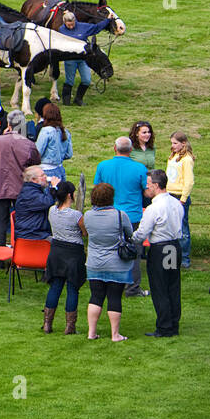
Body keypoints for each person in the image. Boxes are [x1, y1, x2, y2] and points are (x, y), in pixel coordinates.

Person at [94, 137, 149, 296]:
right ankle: (132, 288)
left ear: (114, 148)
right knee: (134, 251)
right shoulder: (139, 168)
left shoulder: (103, 166)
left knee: (109, 249)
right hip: (132, 216)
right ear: (131, 150)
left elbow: (98, 188)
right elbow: (146, 191)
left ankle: (110, 284)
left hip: (108, 214)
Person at [136, 170, 184, 337]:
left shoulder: (153, 208)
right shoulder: (176, 203)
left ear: (156, 186)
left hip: (160, 249)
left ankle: (164, 327)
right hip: (174, 247)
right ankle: (173, 324)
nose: (146, 189)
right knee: (173, 286)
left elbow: (142, 234)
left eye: (148, 185)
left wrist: (131, 238)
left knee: (159, 288)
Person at [84, 182, 133, 341]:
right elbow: (129, 234)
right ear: (111, 197)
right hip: (116, 264)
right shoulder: (120, 215)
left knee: (95, 296)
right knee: (114, 297)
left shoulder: (88, 216)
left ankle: (91, 332)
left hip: (94, 263)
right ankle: (115, 334)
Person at [0, 110, 41, 246]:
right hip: (20, 187)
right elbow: (36, 161)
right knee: (21, 221)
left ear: (8, 124)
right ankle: (21, 251)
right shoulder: (28, 144)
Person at [42, 180, 84, 334]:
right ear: (69, 195)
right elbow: (84, 232)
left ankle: (47, 323)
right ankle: (70, 326)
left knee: (56, 286)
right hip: (73, 252)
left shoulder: (52, 210)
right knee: (72, 288)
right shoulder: (76, 215)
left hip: (57, 251)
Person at [59, 10, 114, 105]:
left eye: (72, 24)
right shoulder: (61, 30)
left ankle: (78, 99)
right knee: (69, 81)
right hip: (70, 60)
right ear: (64, 22)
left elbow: (97, 28)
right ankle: (66, 101)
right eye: (69, 25)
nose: (71, 26)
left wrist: (108, 20)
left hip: (83, 59)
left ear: (75, 21)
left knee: (86, 80)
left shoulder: (83, 27)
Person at [165, 131, 194, 270]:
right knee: (170, 227)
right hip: (170, 194)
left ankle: (185, 259)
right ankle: (172, 257)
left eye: (175, 143)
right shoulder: (173, 156)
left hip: (179, 196)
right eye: (172, 143)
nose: (173, 145)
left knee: (182, 229)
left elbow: (189, 181)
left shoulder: (187, 159)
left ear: (183, 143)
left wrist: (183, 198)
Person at [14, 165, 57, 240]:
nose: (46, 177)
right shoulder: (29, 193)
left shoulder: (33, 190)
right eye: (42, 175)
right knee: (63, 246)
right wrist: (54, 187)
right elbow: (47, 202)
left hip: (37, 232)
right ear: (33, 179)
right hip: (31, 235)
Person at [35, 103, 73, 181]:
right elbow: (69, 154)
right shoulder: (65, 132)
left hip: (46, 171)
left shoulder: (46, 131)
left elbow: (37, 153)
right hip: (60, 170)